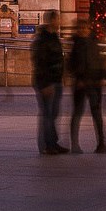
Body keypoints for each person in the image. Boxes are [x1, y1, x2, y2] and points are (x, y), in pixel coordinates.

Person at [67, 18, 106, 153]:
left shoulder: (93, 42)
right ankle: (75, 144)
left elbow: (99, 60)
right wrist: (78, 78)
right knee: (78, 112)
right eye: (81, 28)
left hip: (94, 82)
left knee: (97, 114)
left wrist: (101, 76)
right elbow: (72, 63)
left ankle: (101, 143)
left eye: (85, 28)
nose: (83, 30)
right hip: (81, 84)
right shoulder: (76, 44)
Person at [30, 10, 66, 155]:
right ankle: (47, 145)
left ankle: (53, 142)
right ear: (52, 21)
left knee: (54, 114)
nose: (59, 22)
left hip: (56, 80)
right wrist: (45, 84)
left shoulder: (53, 37)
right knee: (47, 114)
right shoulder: (42, 40)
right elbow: (40, 63)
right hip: (47, 82)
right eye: (57, 19)